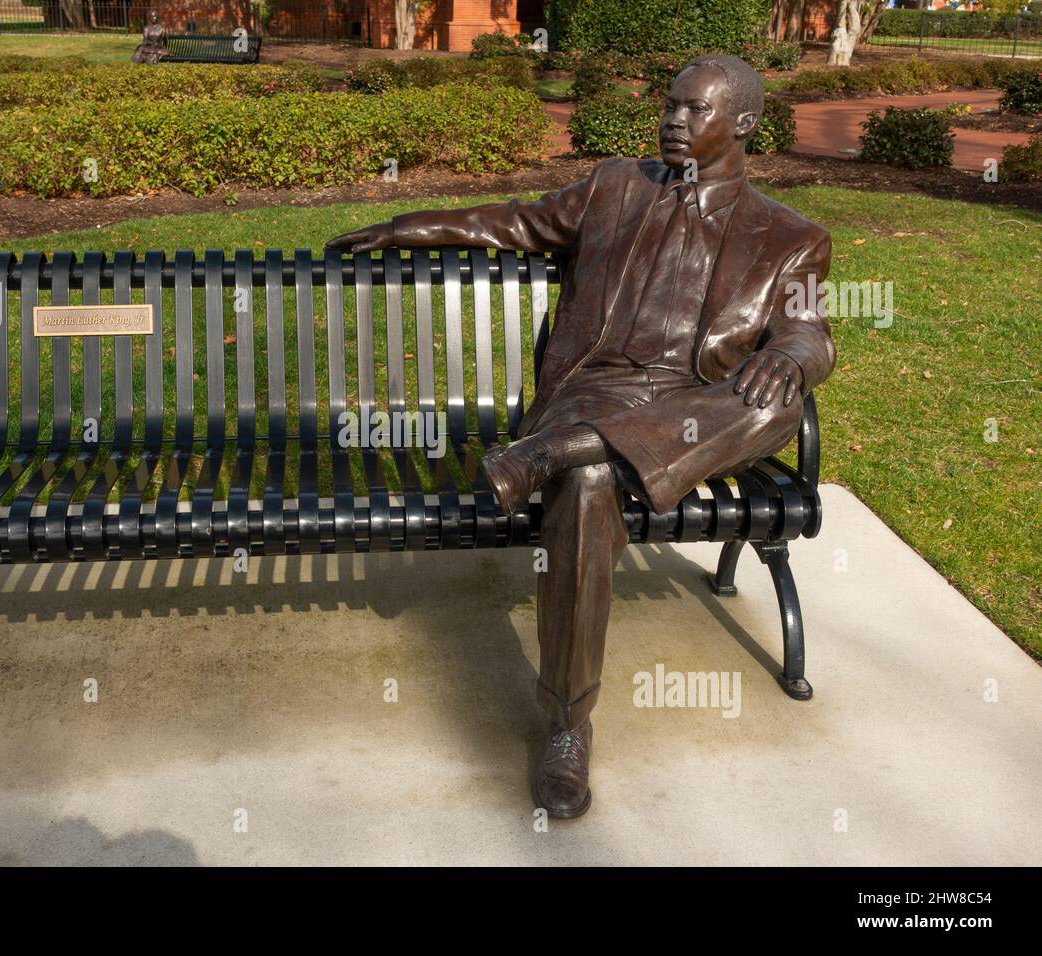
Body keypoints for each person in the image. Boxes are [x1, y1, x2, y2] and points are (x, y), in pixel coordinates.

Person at [327, 55, 835, 819]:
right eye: (670, 105)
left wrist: (792, 358)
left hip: (698, 405)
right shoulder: (613, 187)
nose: (673, 119)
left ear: (744, 124)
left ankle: (548, 457)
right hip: (593, 396)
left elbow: (810, 335)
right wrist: (408, 226)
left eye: (695, 110)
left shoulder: (790, 237)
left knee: (776, 404)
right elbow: (513, 222)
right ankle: (569, 722)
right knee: (593, 480)